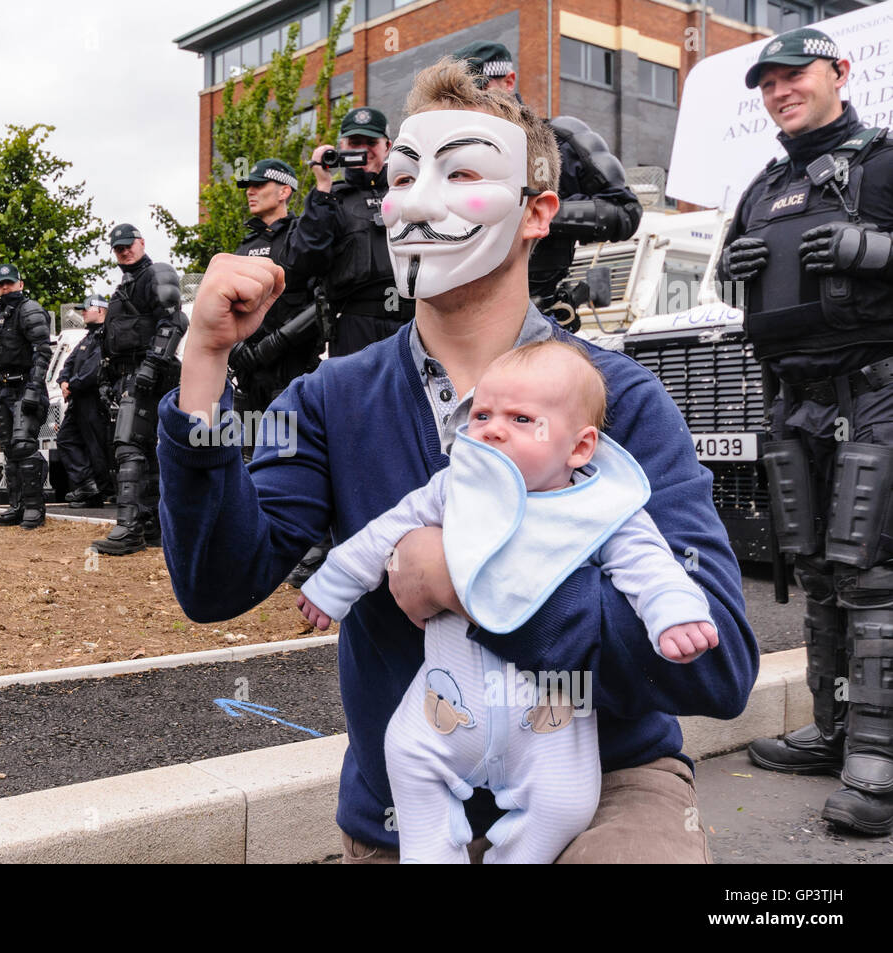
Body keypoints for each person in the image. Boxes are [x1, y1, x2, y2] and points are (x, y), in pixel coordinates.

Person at [157, 61, 757, 863]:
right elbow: (215, 584)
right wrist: (203, 366)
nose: (421, 200)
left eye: (463, 172)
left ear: (537, 212)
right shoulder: (330, 398)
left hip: (605, 784)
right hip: (408, 800)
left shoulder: (621, 400)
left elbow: (714, 666)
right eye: (404, 176)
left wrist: (472, 579)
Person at [298, 340, 718, 862]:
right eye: (482, 414)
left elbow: (649, 566)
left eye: (522, 419)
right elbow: (383, 533)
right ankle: (431, 854)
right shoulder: (454, 489)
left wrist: (674, 612)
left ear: (580, 448)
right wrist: (332, 586)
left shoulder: (601, 509)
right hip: (443, 706)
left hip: (547, 719)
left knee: (566, 801)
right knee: (405, 757)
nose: (493, 428)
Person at [724, 28, 893, 836]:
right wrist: (739, 268)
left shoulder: (885, 161)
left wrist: (871, 246)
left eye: (795, 76)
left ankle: (878, 759)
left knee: (873, 575)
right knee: (817, 570)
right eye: (768, 83)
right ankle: (831, 731)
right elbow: (739, 285)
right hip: (792, 399)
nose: (780, 91)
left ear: (839, 72)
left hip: (873, 390)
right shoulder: (761, 186)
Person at [453, 41, 642, 324]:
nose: (472, 102)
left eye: (480, 89)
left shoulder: (560, 139)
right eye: (461, 96)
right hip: (464, 317)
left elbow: (625, 212)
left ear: (508, 82)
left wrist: (537, 213)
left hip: (540, 315)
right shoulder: (446, 154)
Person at [289, 108, 415, 358]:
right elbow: (304, 260)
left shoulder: (409, 190)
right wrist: (323, 186)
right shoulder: (329, 199)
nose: (364, 149)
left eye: (372, 143)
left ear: (387, 146)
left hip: (413, 320)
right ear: (341, 146)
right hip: (355, 325)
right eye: (355, 143)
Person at [91, 225, 187, 556]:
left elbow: (175, 321)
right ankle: (151, 526)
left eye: (128, 245)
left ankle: (129, 527)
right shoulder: (123, 289)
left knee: (128, 446)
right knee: (145, 452)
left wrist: (151, 365)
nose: (123, 251)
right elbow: (111, 341)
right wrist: (105, 378)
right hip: (127, 376)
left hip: (149, 374)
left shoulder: (155, 274)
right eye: (117, 248)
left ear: (142, 243)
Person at [229, 159, 322, 460]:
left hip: (291, 367)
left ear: (284, 191)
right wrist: (237, 347)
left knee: (288, 454)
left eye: (258, 185)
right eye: (248, 187)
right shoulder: (243, 246)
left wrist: (277, 342)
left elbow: (321, 300)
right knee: (250, 456)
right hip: (250, 371)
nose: (250, 192)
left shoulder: (301, 238)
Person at [0, 264, 53, 529]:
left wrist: (35, 388)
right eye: (1, 284)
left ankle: (35, 508)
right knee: (10, 451)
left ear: (20, 284)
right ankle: (18, 506)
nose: (5, 288)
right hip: (1, 390)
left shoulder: (29, 309)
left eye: (10, 283)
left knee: (24, 446)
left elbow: (42, 351)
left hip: (25, 387)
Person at [56, 294, 113, 507]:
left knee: (95, 447)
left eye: (86, 308)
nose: (82, 312)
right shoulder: (87, 338)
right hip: (78, 401)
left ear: (99, 310)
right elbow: (68, 364)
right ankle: (87, 486)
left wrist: (72, 384)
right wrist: (63, 380)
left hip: (94, 400)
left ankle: (97, 491)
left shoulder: (106, 336)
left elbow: (94, 370)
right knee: (66, 439)